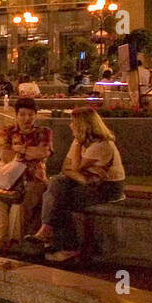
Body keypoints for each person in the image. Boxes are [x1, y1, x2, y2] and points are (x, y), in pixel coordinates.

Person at [29, 107, 125, 263]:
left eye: (73, 122)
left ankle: (61, 242)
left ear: (84, 125)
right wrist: (80, 177)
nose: (70, 125)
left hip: (108, 187)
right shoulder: (80, 141)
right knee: (57, 186)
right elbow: (65, 167)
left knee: (59, 198)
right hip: (86, 182)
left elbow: (73, 167)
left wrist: (76, 171)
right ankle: (56, 238)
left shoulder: (102, 145)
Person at [0, 97, 54, 251]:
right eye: (23, 114)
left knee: (18, 205)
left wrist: (22, 150)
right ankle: (0, 243)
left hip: (34, 180)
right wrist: (31, 154)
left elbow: (44, 153)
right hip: (9, 178)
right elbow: (5, 155)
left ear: (36, 115)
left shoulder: (44, 132)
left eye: (30, 115)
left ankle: (14, 244)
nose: (27, 118)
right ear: (16, 115)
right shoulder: (6, 131)